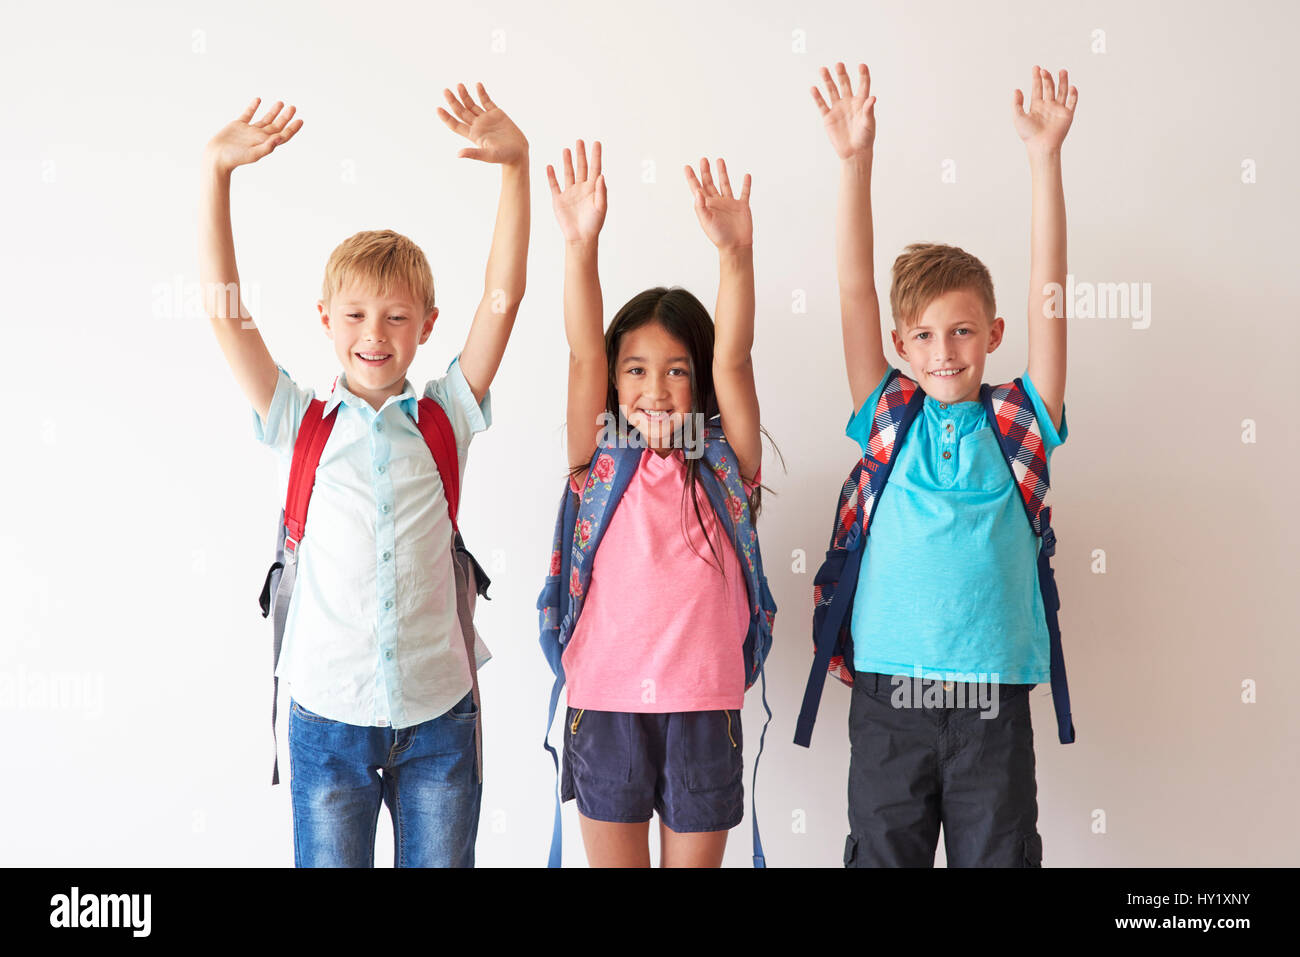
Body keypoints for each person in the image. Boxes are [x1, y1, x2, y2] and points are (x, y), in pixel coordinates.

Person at [198, 83, 529, 866]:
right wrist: (216, 173)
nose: (373, 333)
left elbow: (503, 302)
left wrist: (515, 169)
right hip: (327, 720)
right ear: (324, 319)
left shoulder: (446, 413)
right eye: (353, 314)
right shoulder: (300, 419)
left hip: (438, 721)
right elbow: (223, 311)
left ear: (427, 326)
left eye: (394, 315)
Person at [815, 61, 1078, 866]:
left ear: (993, 333)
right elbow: (856, 291)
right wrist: (855, 163)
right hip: (891, 697)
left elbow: (1050, 293)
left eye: (962, 330)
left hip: (991, 700)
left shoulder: (1019, 425)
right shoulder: (889, 418)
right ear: (901, 344)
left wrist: (1045, 160)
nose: (943, 350)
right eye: (923, 335)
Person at [545, 138, 770, 867]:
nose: (656, 387)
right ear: (614, 382)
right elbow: (582, 352)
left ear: (698, 383)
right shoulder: (596, 457)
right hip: (604, 704)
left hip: (705, 706)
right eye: (636, 369)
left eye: (677, 370)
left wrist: (735, 256)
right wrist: (581, 247)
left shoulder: (726, 464)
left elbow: (734, 355)